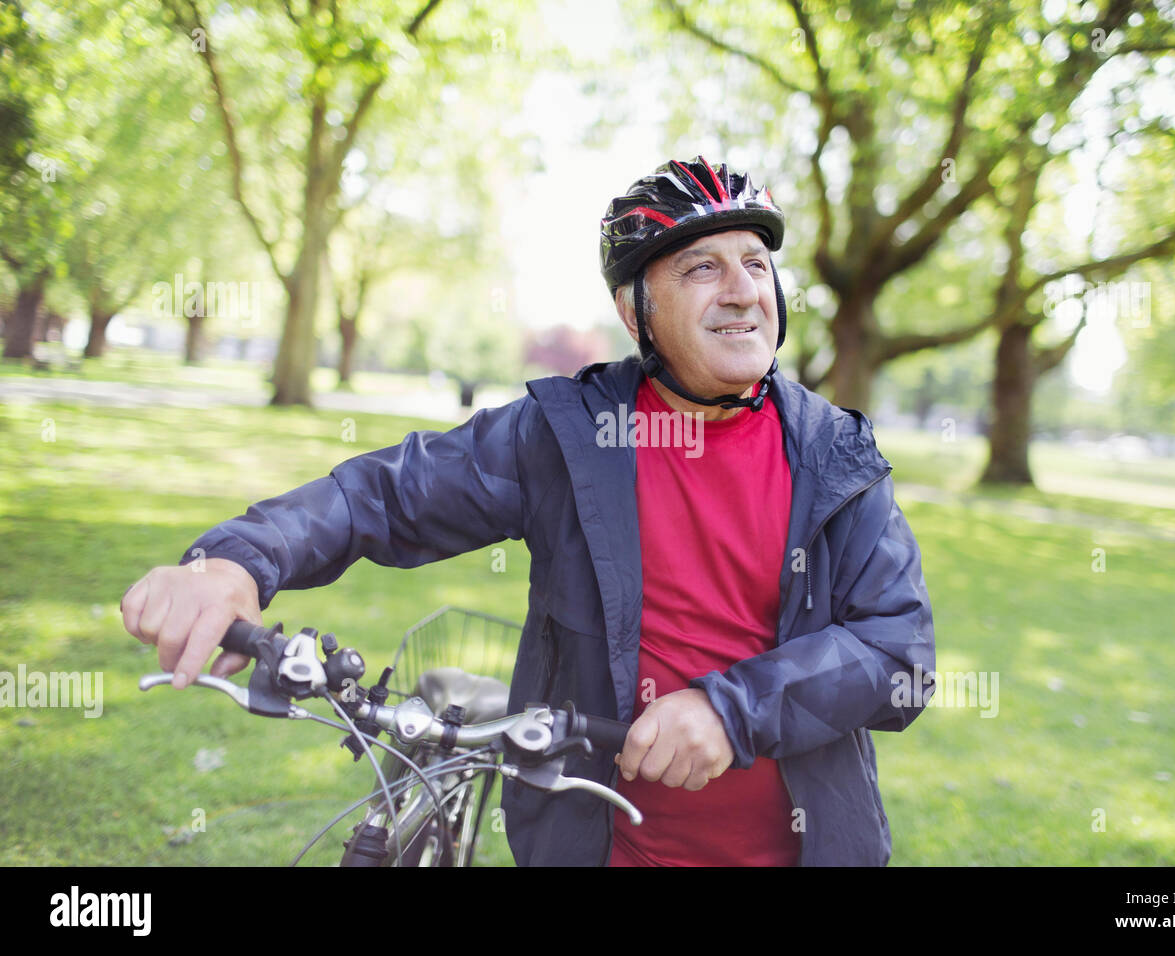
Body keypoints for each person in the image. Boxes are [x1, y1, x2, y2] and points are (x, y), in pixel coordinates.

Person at [121, 155, 936, 866]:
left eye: (755, 265)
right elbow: (389, 493)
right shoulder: (569, 436)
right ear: (633, 310)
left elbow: (898, 652)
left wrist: (733, 710)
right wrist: (235, 559)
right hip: (601, 847)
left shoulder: (837, 455)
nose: (742, 293)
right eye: (700, 270)